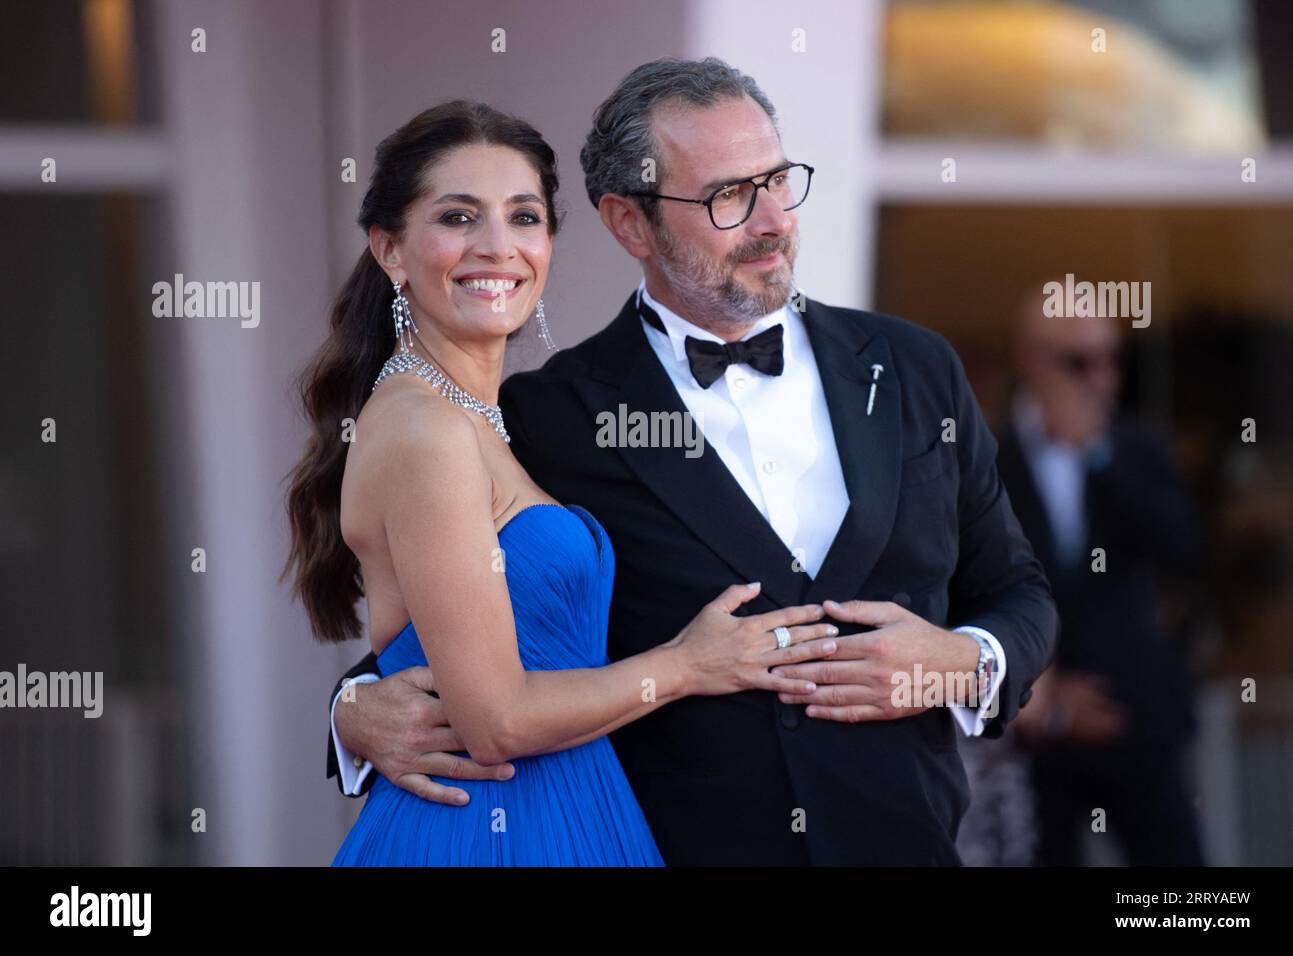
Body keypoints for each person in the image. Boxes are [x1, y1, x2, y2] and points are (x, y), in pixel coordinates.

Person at [326, 58, 1059, 866]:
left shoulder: (917, 368)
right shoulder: (548, 416)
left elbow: (1016, 589)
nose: (773, 219)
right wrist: (354, 711)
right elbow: (472, 629)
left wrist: (962, 661)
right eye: (728, 196)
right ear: (630, 224)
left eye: (778, 180)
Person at [283, 100, 841, 866]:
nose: (497, 247)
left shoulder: (507, 419)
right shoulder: (426, 429)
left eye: (523, 217)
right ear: (389, 249)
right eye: (457, 217)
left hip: (587, 813)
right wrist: (688, 665)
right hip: (493, 833)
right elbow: (496, 719)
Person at [999, 290, 1205, 865]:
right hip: (1036, 727)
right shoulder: (986, 456)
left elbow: (1182, 549)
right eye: (1079, 362)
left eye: (1111, 359)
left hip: (1133, 718)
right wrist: (1038, 693)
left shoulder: (1136, 448)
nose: (1101, 378)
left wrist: (1098, 456)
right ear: (1031, 360)